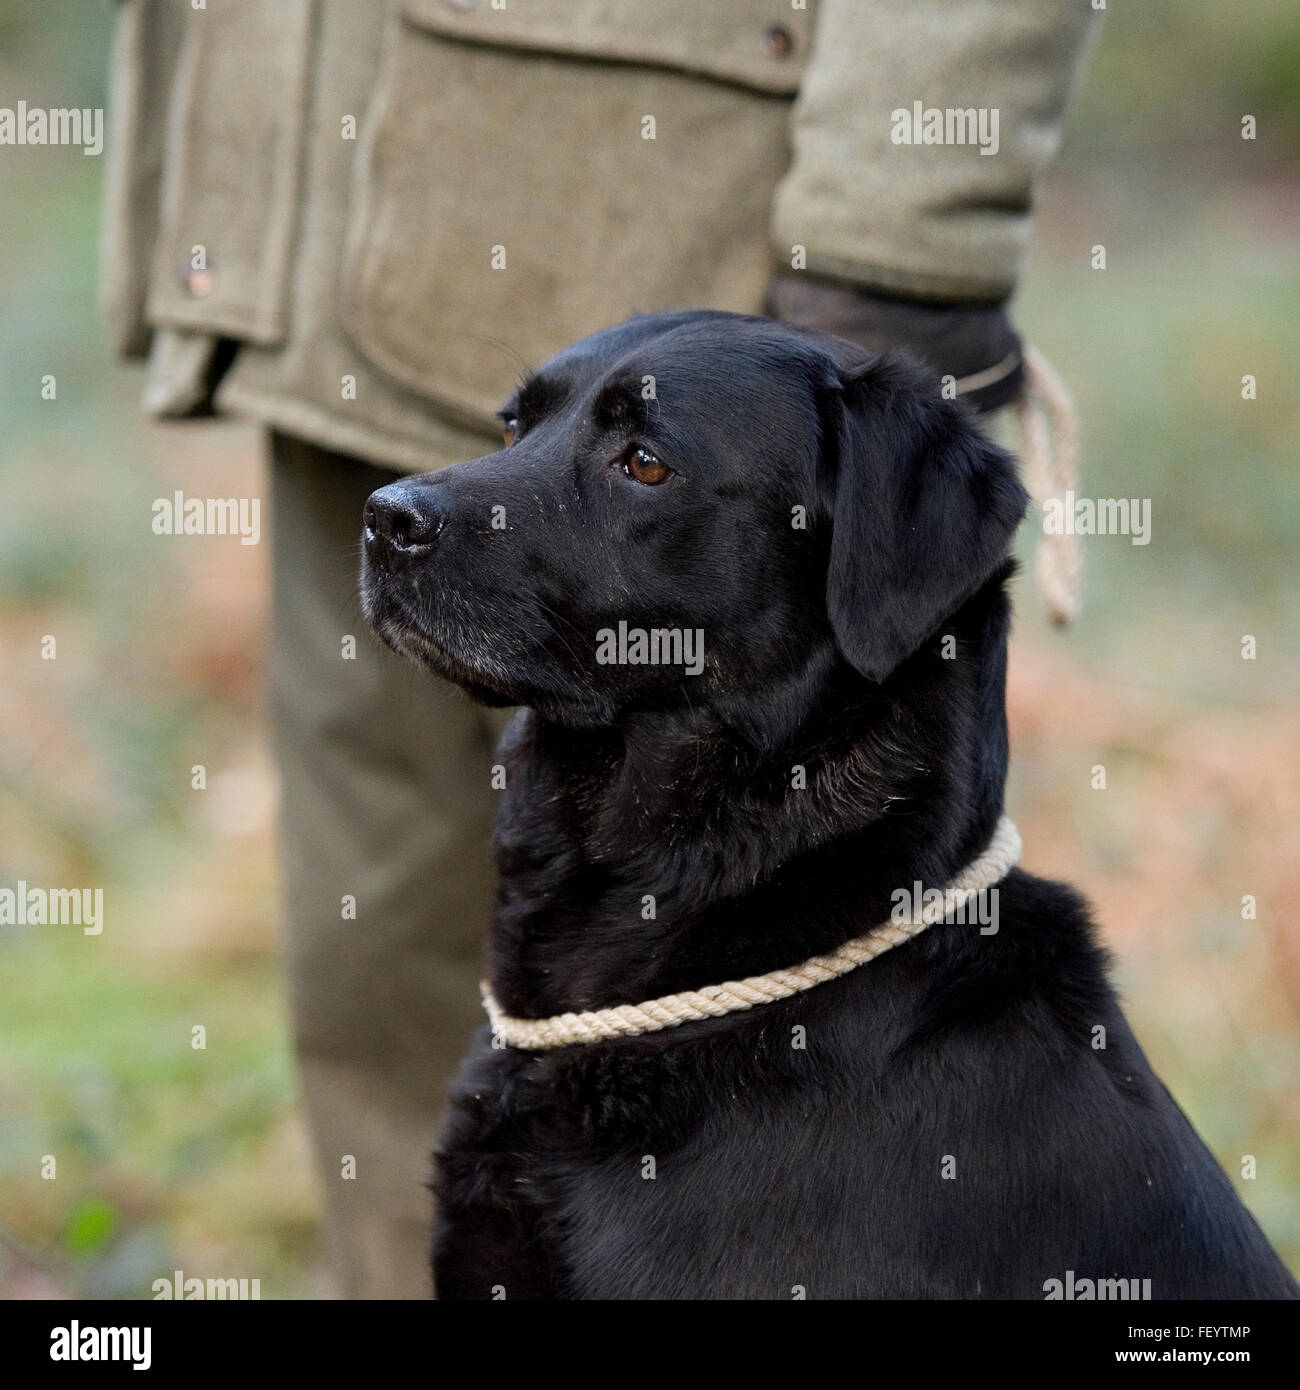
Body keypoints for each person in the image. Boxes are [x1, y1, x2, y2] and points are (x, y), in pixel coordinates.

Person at [101, 0, 1100, 1298]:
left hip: (714, 192)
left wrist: (901, 253)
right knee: (376, 942)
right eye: (526, 431)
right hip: (321, 293)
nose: (422, 508)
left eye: (636, 463)